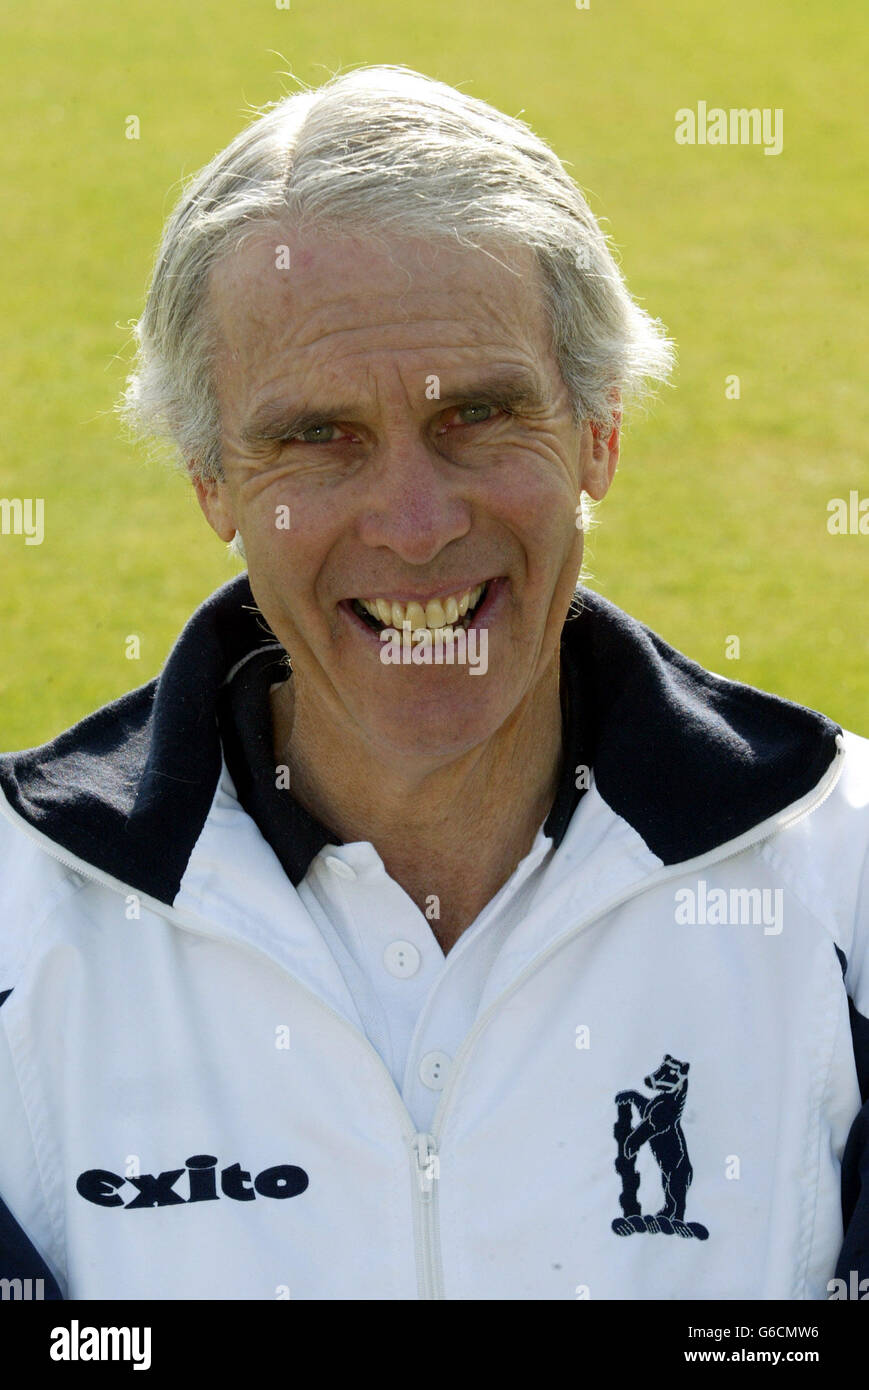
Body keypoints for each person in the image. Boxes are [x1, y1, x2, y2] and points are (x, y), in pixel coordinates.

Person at [0, 65, 866, 1302]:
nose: (412, 524)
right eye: (316, 436)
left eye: (478, 413)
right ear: (210, 481)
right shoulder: (23, 923)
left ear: (599, 431)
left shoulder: (840, 885)